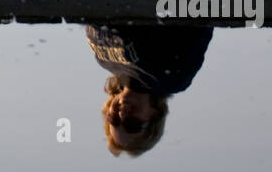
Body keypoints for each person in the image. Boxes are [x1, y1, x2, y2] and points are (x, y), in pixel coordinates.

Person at [86, 23, 213, 157]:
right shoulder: (172, 78)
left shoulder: (104, 62)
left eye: (114, 120)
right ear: (154, 116)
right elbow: (201, 18)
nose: (121, 116)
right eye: (132, 124)